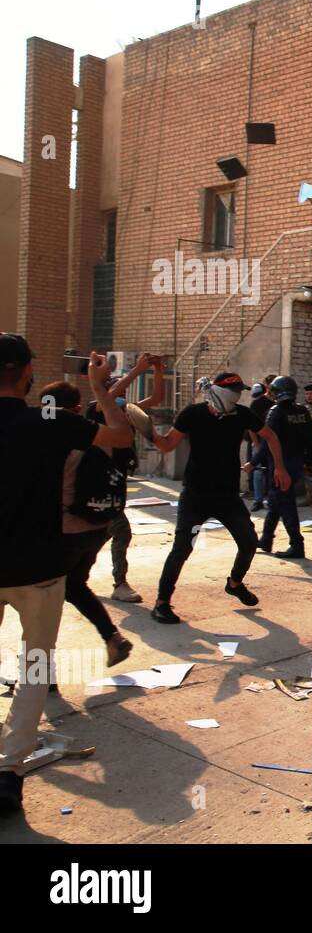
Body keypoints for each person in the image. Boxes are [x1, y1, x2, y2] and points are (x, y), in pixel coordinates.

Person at [0, 339, 132, 813]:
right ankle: (10, 769)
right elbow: (120, 435)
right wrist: (99, 386)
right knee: (35, 665)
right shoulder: (48, 422)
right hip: (39, 569)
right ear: (28, 372)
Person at [149, 372, 290, 624]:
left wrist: (279, 467)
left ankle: (234, 584)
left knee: (248, 542)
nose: (237, 395)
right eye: (234, 390)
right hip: (196, 496)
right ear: (219, 391)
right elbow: (167, 445)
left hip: (227, 497)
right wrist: (148, 432)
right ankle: (161, 603)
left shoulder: (241, 414)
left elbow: (270, 435)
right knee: (182, 548)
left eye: (240, 391)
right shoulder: (192, 414)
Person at [40, 381, 135, 669]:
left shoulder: (49, 441)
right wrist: (99, 384)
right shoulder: (99, 436)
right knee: (75, 586)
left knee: (42, 605)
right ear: (78, 408)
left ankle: (44, 676)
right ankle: (112, 637)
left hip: (63, 533)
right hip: (95, 529)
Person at [92, 352, 166, 603]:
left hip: (117, 480)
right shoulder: (97, 410)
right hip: (99, 481)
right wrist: (136, 370)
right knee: (121, 531)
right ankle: (119, 583)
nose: (121, 396)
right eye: (115, 390)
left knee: (99, 534)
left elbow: (156, 398)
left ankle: (71, 573)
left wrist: (157, 371)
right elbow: (108, 399)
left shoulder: (126, 412)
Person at [258, 376, 312, 559]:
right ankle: (266, 539)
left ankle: (297, 544)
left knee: (286, 504)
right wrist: (309, 462)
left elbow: (268, 440)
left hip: (280, 466)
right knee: (276, 503)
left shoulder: (275, 412)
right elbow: (311, 438)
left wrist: (254, 462)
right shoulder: (302, 411)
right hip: (296, 463)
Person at [246, 381, 273, 511]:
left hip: (271, 443)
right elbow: (251, 426)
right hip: (259, 442)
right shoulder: (258, 403)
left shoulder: (277, 404)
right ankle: (258, 500)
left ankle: (269, 499)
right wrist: (256, 444)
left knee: (270, 471)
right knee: (258, 471)